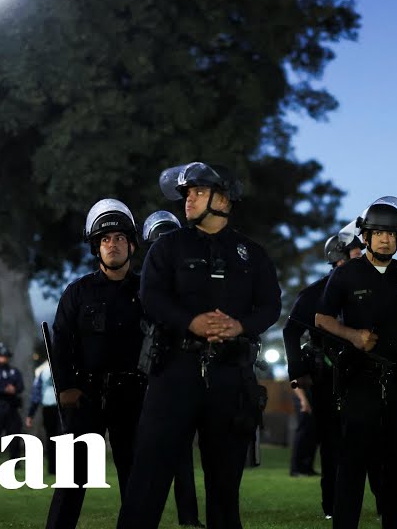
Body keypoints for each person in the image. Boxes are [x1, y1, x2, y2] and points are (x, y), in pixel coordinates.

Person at [117, 162, 281, 529]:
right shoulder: (168, 247)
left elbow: (271, 304)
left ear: (222, 198)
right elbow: (151, 296)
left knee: (224, 487)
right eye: (186, 193)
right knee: (149, 479)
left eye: (197, 192)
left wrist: (240, 325)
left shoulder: (251, 253)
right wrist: (190, 321)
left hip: (229, 376)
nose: (188, 199)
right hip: (174, 372)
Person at [315, 198, 397, 529]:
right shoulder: (346, 274)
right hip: (361, 377)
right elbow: (321, 318)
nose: (385, 239)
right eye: (378, 233)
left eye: (391, 233)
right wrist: (352, 335)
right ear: (365, 236)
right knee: (353, 460)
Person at [46, 199, 148, 528]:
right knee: (71, 480)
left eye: (119, 238)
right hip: (85, 396)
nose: (113, 245)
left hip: (134, 397)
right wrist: (67, 388)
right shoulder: (77, 293)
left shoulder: (149, 292)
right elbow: (61, 343)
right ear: (96, 247)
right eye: (105, 240)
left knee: (135, 483)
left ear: (131, 245)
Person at [284, 221, 362, 519]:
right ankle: (332, 506)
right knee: (332, 445)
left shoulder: (367, 289)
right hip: (327, 377)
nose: (361, 257)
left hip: (363, 374)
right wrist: (298, 372)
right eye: (355, 253)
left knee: (375, 443)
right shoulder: (314, 293)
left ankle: (387, 506)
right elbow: (291, 332)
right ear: (338, 259)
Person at [140, 209, 204, 529]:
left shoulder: (189, 284)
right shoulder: (144, 283)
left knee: (179, 451)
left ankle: (188, 515)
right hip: (149, 372)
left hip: (178, 370)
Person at [0, 343, 25, 467]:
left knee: (14, 435)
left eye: (5, 356)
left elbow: (20, 386)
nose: (3, 358)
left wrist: (14, 389)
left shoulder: (14, 371)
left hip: (11, 408)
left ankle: (15, 463)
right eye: (1, 356)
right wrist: (4, 389)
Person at [26, 351, 58, 476]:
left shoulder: (42, 371)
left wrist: (30, 414)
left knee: (51, 439)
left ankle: (52, 468)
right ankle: (62, 468)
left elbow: (36, 395)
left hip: (49, 408)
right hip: (63, 408)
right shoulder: (64, 368)